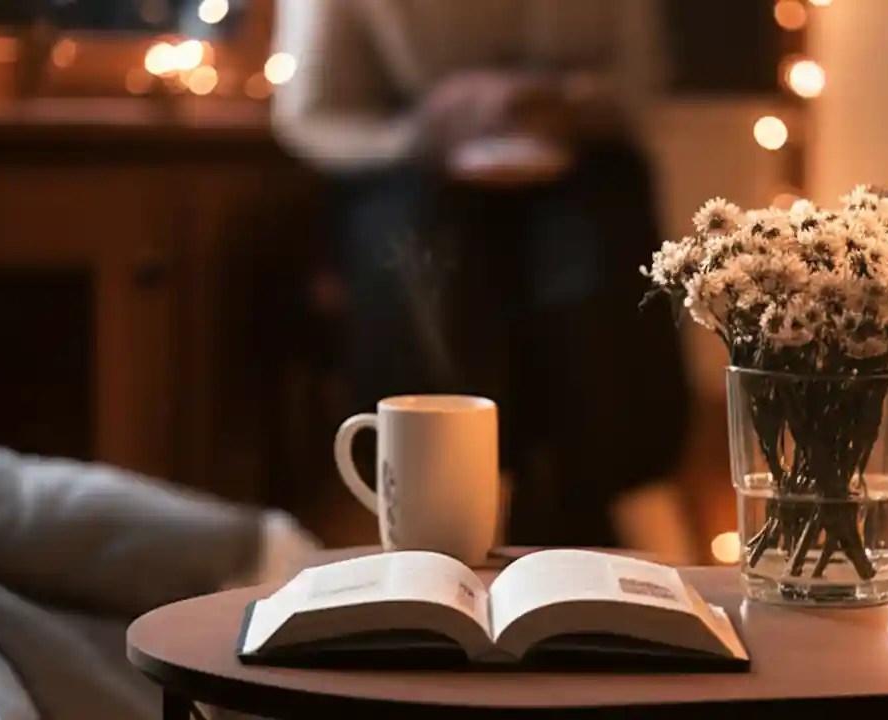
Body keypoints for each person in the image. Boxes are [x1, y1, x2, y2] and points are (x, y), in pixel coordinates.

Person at [273, 0, 691, 551]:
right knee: (422, 252)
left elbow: (641, 88)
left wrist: (568, 105)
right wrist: (426, 132)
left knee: (589, 255)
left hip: (578, 173)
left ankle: (590, 494)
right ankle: (440, 497)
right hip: (412, 170)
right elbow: (313, 114)